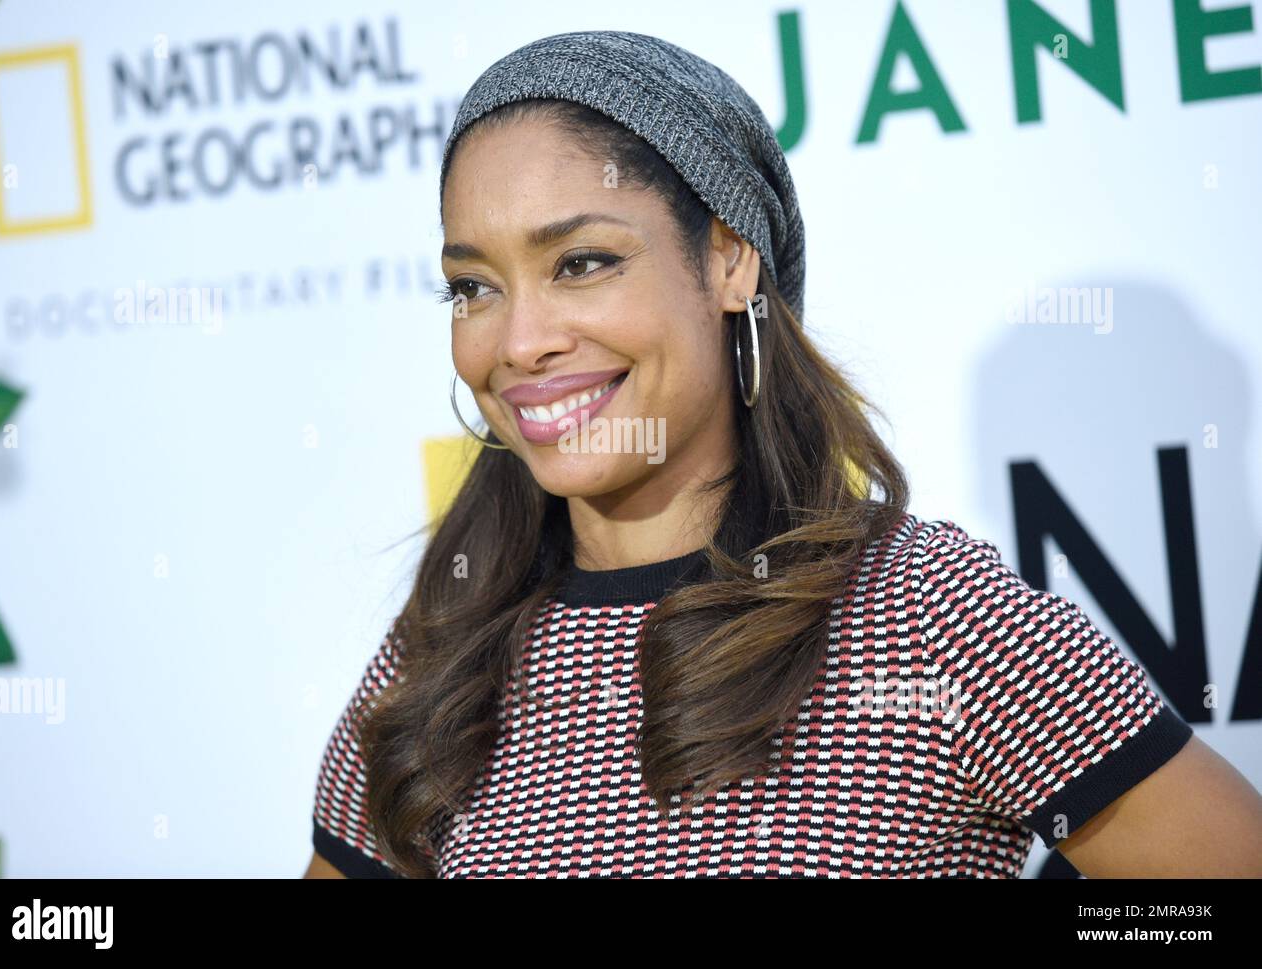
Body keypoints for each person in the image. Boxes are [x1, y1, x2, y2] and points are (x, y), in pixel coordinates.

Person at [305, 30, 1262, 878]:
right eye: (472, 287)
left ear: (729, 258)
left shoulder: (924, 612)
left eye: (582, 263)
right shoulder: (443, 656)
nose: (517, 342)